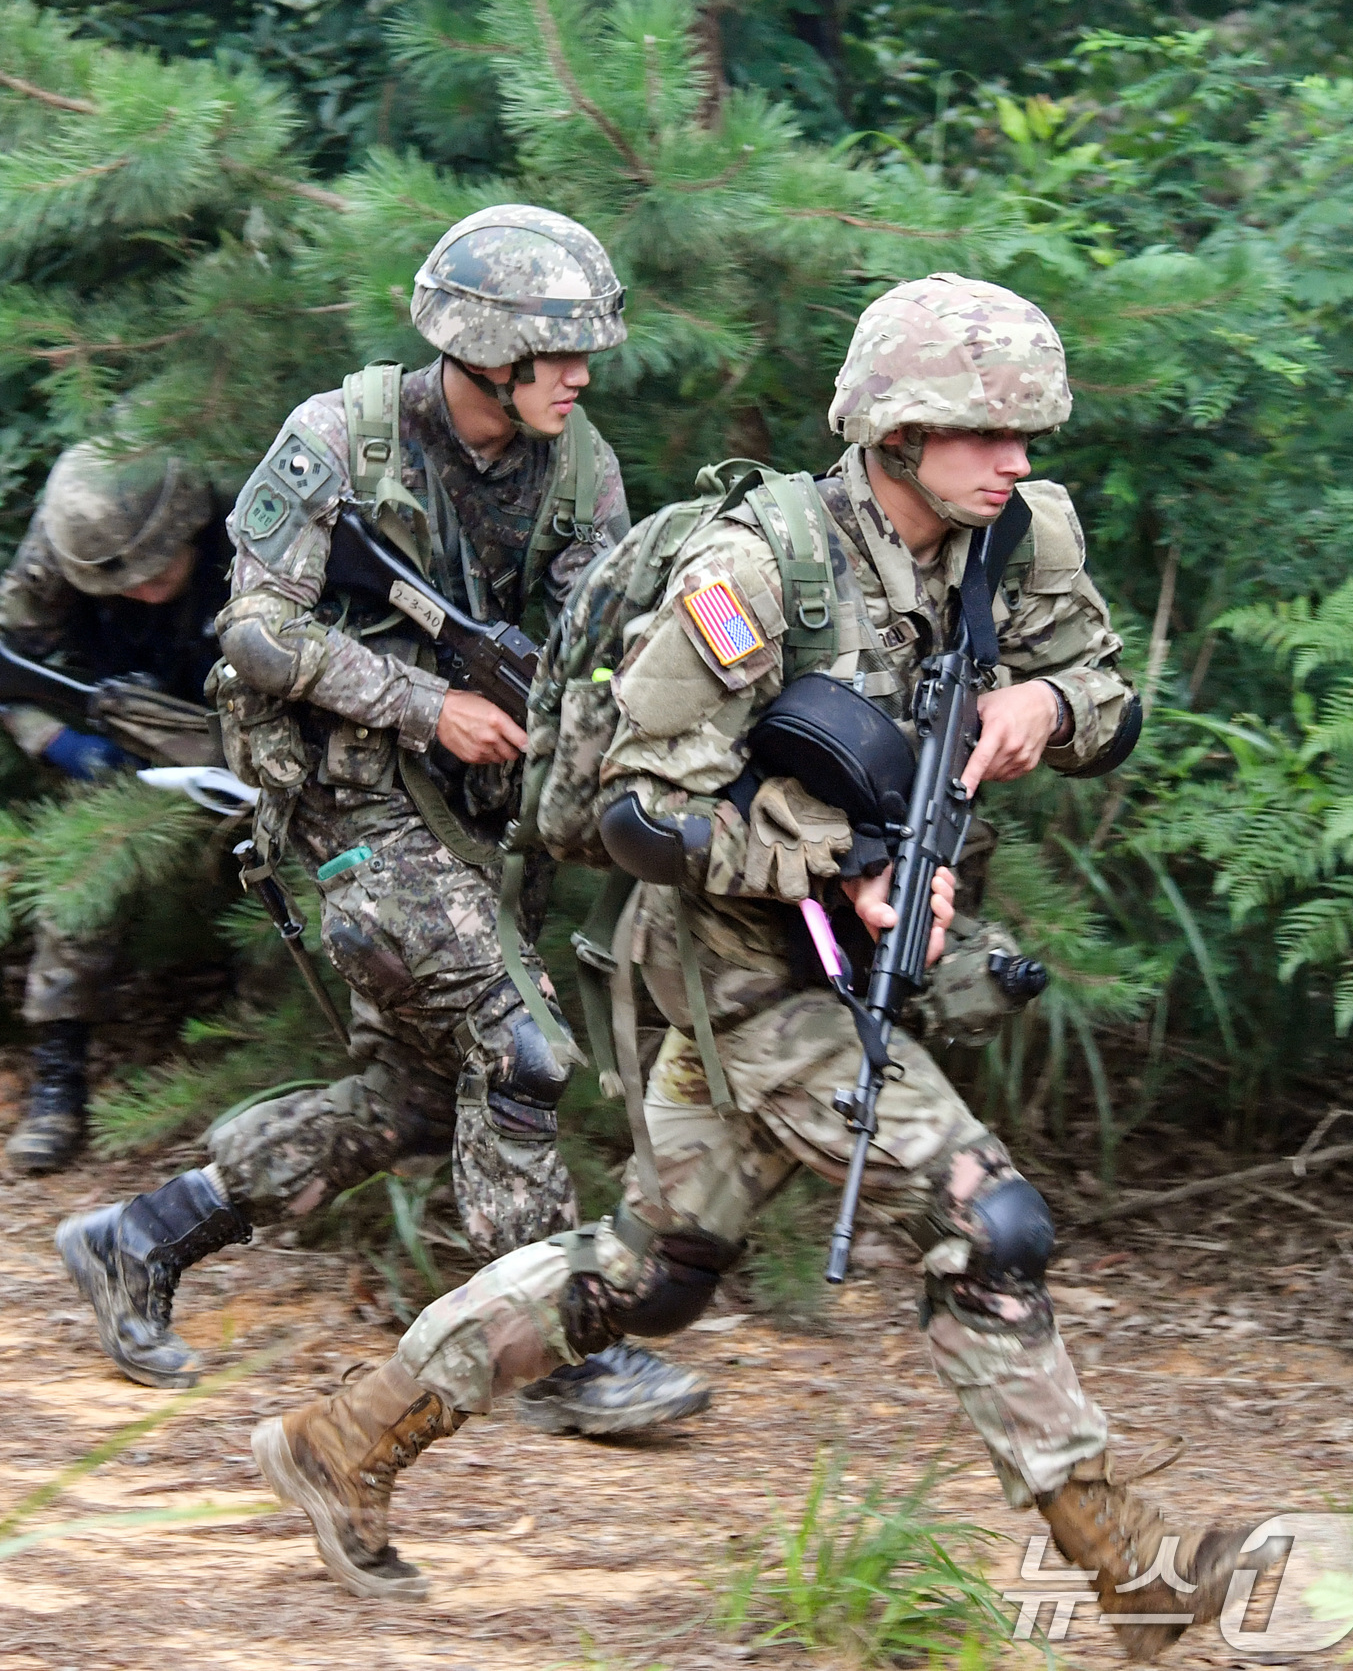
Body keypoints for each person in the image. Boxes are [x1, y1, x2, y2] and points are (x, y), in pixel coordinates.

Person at [245, 273, 1270, 1656]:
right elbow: (636, 808)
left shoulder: (1015, 541)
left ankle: (344, 1436)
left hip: (854, 961)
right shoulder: (761, 569)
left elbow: (1109, 697)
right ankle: (1130, 1572)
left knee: (650, 1269)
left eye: (1028, 435)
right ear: (895, 434)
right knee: (990, 1217)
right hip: (733, 968)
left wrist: (1048, 701)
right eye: (983, 432)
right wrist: (835, 858)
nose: (1018, 460)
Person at [56, 205, 708, 1438]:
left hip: (474, 816)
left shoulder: (578, 466)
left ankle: (136, 1238)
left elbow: (603, 637)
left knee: (416, 1100)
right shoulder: (341, 438)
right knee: (522, 1054)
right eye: (555, 354)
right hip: (347, 801)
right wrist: (427, 702)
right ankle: (551, 1355)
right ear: (482, 349)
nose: (580, 376)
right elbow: (254, 627)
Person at [0, 440, 229, 1174]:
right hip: (122, 736)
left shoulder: (243, 521)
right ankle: (58, 1073)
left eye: (159, 570)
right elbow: (9, 668)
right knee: (82, 877)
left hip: (245, 733)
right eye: (122, 580)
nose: (142, 587)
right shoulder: (59, 552)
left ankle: (248, 1056)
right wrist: (61, 743)